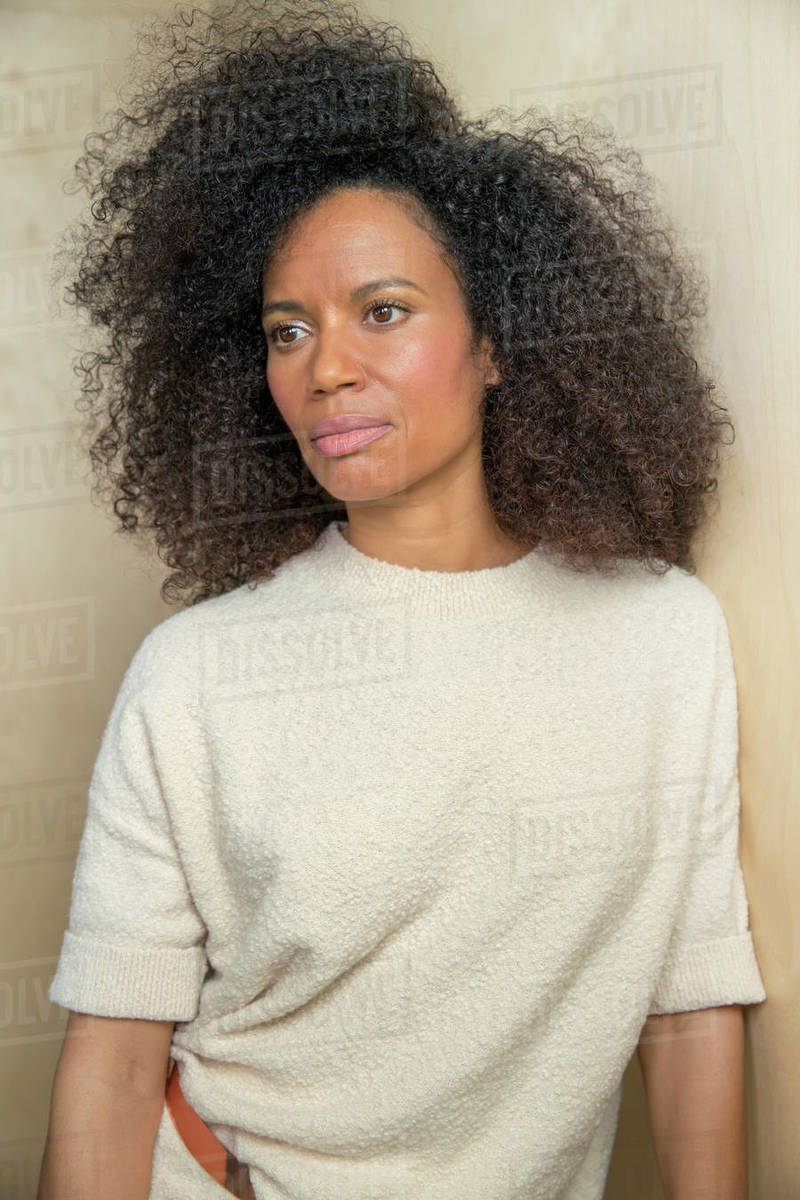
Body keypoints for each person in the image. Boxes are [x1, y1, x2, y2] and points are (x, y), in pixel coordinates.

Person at [38, 1, 766, 1197]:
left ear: (497, 343)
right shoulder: (197, 671)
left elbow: (688, 1007)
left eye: (382, 311)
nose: (325, 368)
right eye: (287, 329)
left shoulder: (665, 638)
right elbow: (114, 1061)